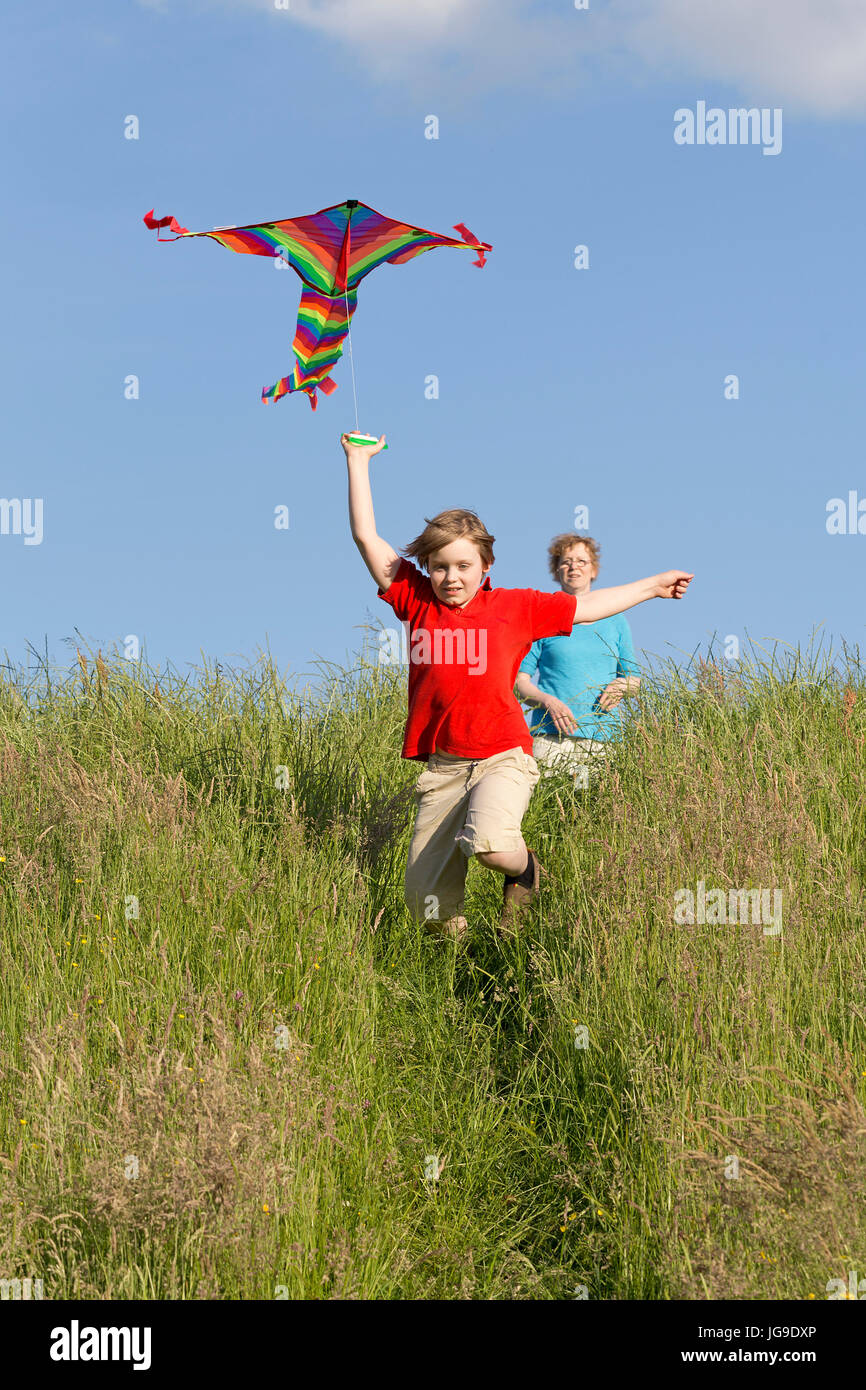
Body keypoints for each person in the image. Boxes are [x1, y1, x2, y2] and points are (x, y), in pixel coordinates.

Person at [343, 433, 693, 941]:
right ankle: (461, 964)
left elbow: (587, 607)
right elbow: (366, 538)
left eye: (463, 566)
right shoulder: (415, 601)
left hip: (503, 753)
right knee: (426, 904)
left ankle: (526, 870)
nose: (451, 577)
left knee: (490, 846)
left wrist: (652, 585)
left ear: (486, 567)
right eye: (440, 567)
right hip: (442, 766)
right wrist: (358, 461)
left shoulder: (514, 607)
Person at [515, 534, 641, 780]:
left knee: (589, 810)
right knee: (552, 811)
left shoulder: (616, 621)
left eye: (582, 561)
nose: (574, 566)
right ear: (556, 571)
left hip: (601, 742)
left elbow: (634, 679)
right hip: (550, 740)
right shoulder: (544, 617)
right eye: (566, 561)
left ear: (593, 570)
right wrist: (548, 702)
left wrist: (621, 686)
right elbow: (519, 683)